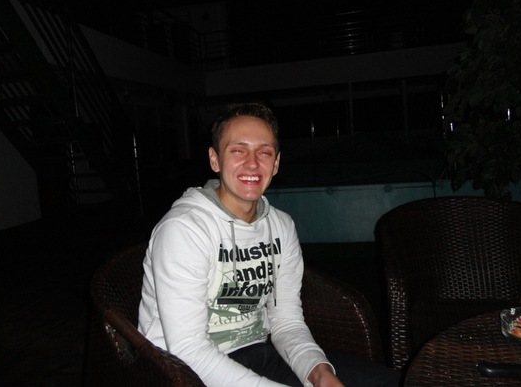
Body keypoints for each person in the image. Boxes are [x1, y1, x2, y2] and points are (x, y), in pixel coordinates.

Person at [138, 103, 399, 387]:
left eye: (264, 152)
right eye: (238, 150)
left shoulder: (281, 226)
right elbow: (188, 350)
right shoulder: (184, 229)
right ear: (215, 160)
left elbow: (286, 319)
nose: (252, 163)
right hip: (178, 371)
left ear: (275, 163)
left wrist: (318, 371)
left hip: (256, 352)